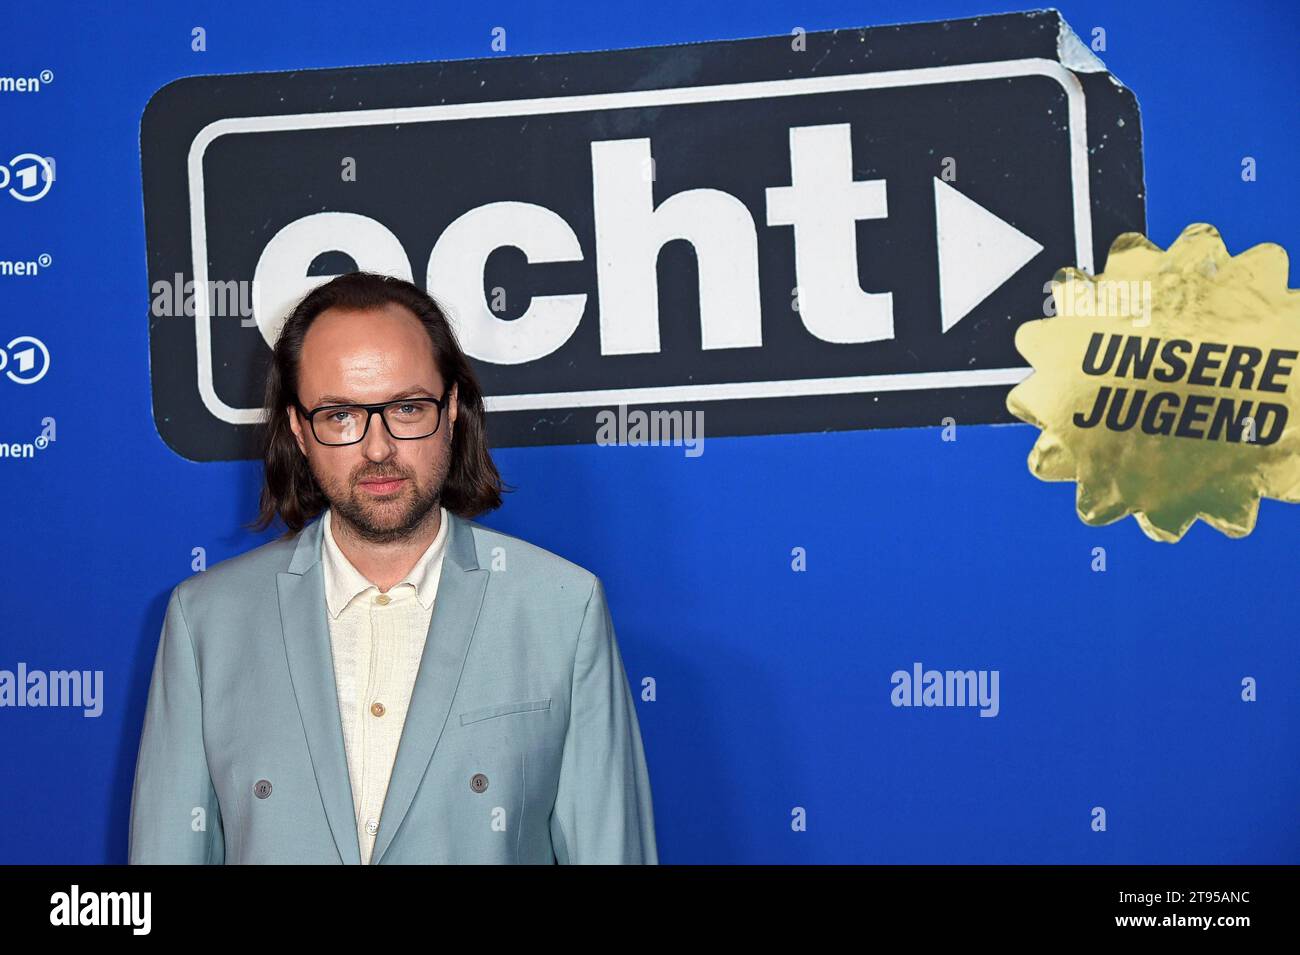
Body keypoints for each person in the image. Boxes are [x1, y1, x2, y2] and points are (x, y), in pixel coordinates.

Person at [128, 271, 657, 864]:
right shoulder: (206, 623)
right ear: (300, 430)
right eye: (341, 415)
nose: (378, 448)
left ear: (452, 408)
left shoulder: (562, 607)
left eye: (407, 408)